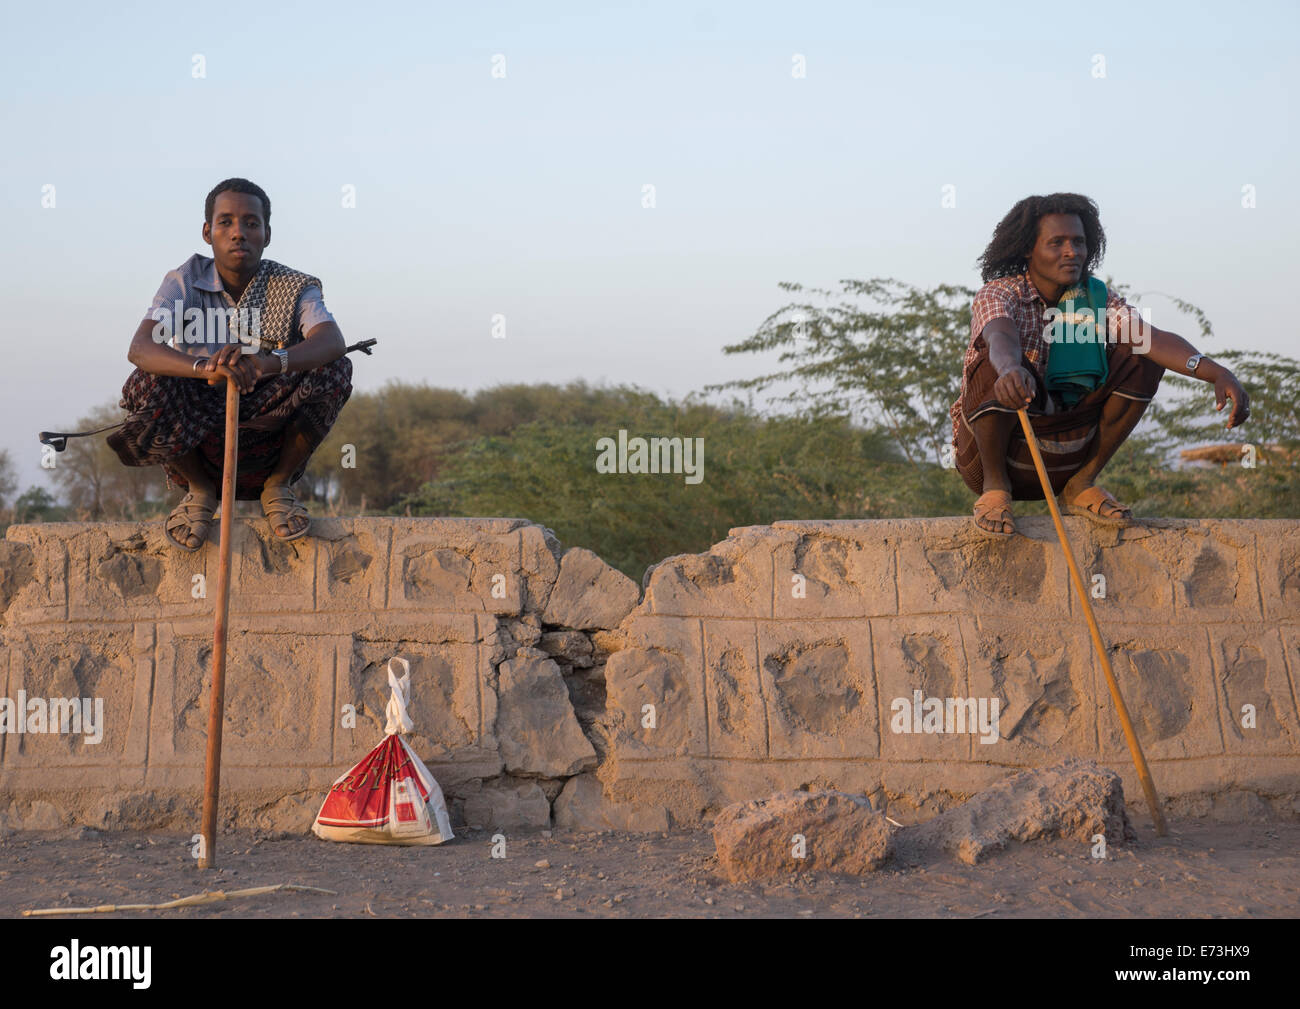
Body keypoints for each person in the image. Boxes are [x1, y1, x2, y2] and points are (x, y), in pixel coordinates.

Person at [949, 193, 1250, 537]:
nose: (1071, 251)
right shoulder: (999, 293)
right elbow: (1001, 337)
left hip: (1064, 450)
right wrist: (1008, 370)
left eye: (1078, 241)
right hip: (1000, 452)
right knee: (996, 364)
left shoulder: (1095, 298)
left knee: (1141, 354)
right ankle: (996, 490)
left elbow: (1148, 336)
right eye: (1057, 242)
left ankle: (1081, 484)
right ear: (1027, 249)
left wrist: (1216, 371)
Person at [108, 178, 353, 549]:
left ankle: (278, 487)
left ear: (266, 233)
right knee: (146, 380)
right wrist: (206, 368)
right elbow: (141, 347)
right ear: (208, 232)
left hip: (267, 434)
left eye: (251, 223)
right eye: (225, 222)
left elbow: (332, 341)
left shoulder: (293, 285)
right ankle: (201, 492)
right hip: (198, 436)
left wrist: (267, 364)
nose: (238, 233)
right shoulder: (184, 280)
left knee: (335, 368)